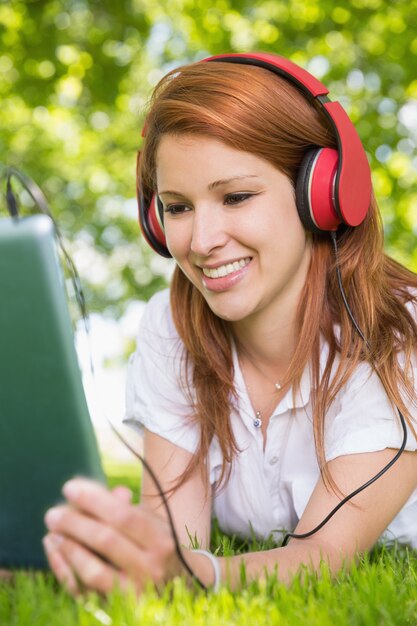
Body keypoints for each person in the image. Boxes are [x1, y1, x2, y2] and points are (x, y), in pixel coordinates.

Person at [43, 52, 417, 596]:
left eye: (235, 197)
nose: (200, 241)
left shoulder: (395, 330)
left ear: (322, 193)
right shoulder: (171, 327)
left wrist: (197, 575)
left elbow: (323, 555)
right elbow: (175, 543)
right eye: (177, 207)